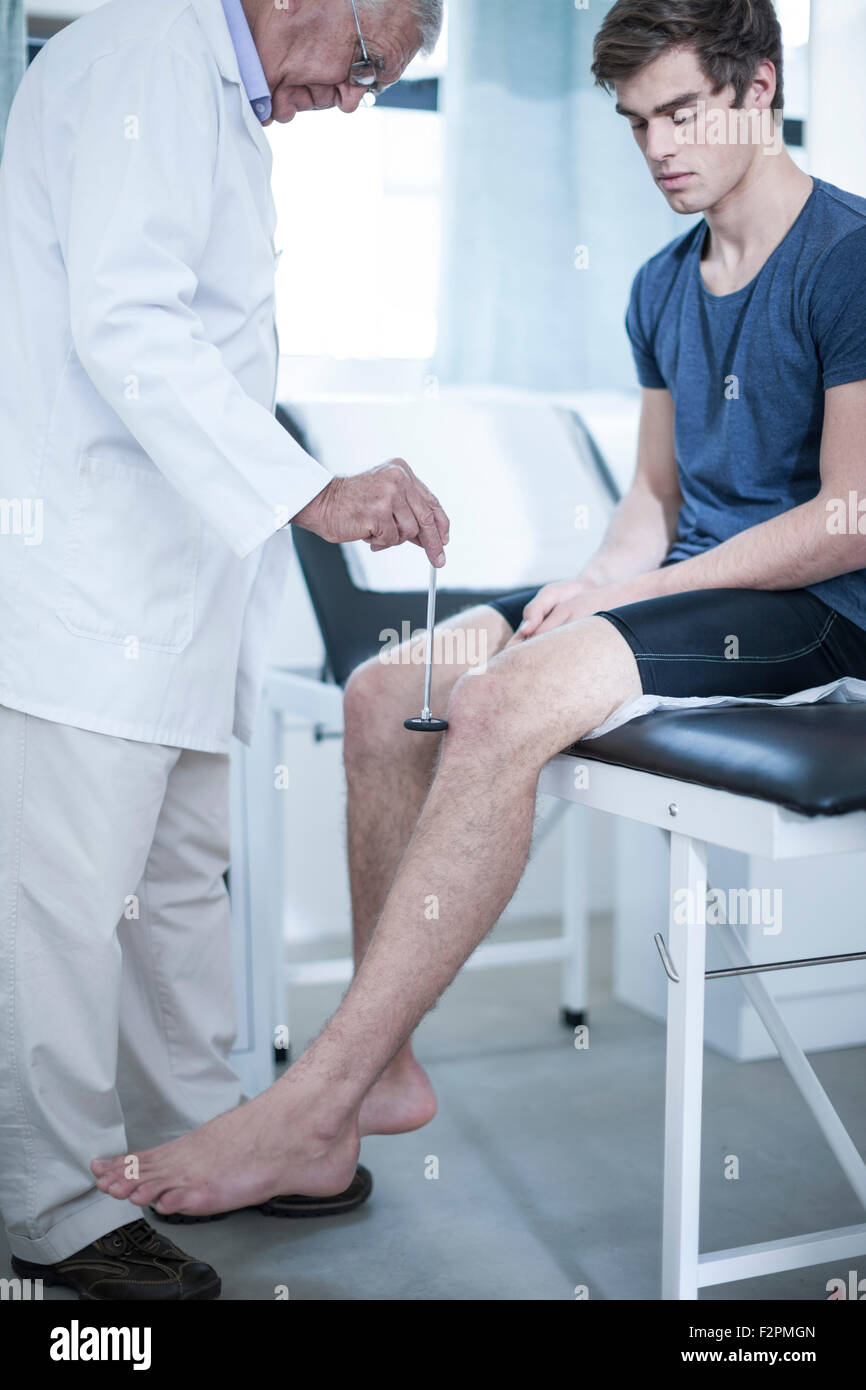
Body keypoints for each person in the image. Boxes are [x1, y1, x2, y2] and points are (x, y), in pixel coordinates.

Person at [94, 0, 866, 1225]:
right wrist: (602, 577)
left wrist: (634, 594)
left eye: (679, 112)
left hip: (815, 613)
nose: (657, 146)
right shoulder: (659, 286)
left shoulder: (845, 254)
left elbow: (846, 517)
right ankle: (384, 1066)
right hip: (689, 586)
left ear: (758, 84)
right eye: (633, 124)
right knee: (385, 691)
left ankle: (313, 1104)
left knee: (501, 700)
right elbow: (650, 506)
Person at [0, 0, 446, 1301]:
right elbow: (129, 324)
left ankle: (224, 1133)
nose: (358, 99)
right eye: (369, 64)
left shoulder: (227, 107)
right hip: (85, 575)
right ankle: (55, 1202)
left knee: (176, 879)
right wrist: (311, 488)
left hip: (171, 584)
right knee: (72, 909)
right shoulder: (145, 49)